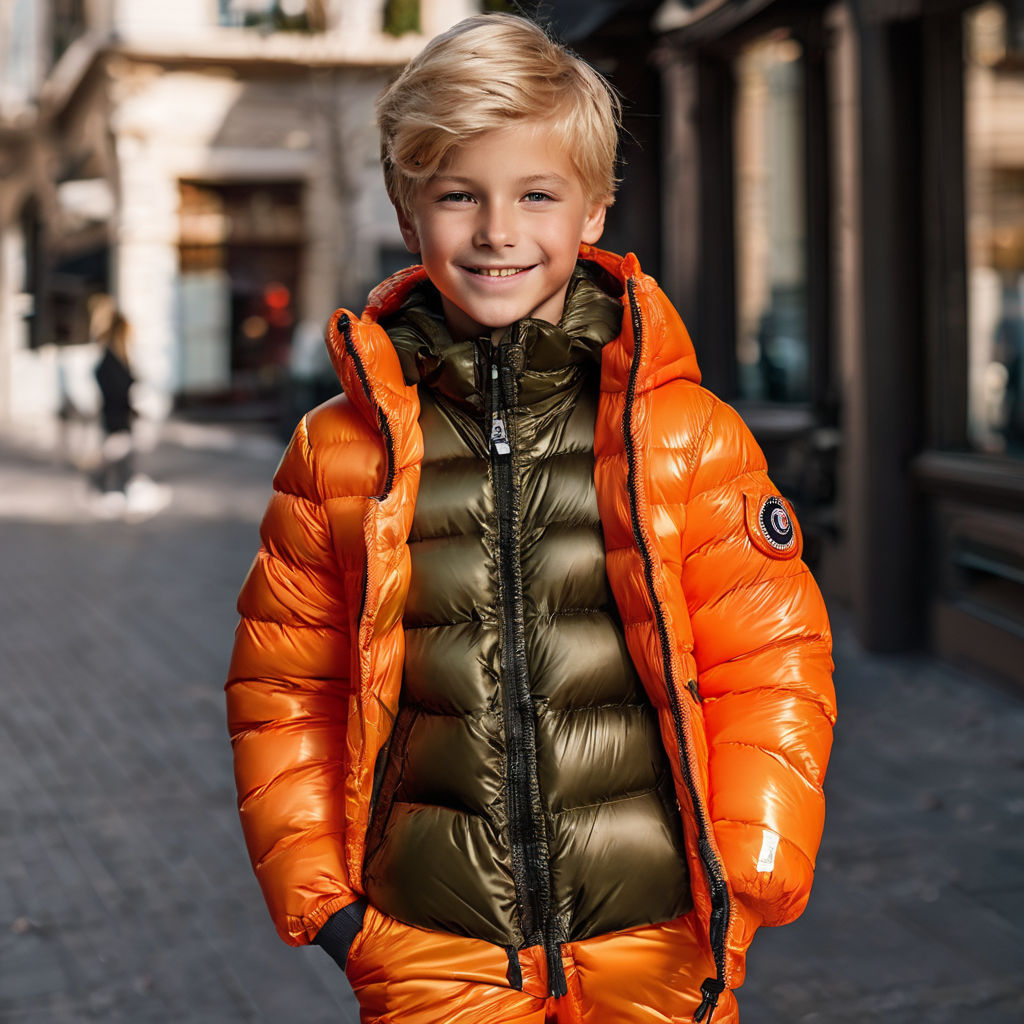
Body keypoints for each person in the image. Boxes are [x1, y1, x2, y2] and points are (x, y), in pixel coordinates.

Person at [225, 14, 836, 1024]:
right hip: (429, 946)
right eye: (459, 194)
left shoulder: (686, 433)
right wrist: (328, 904)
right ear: (406, 209)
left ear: (593, 209)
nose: (497, 231)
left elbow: (769, 659)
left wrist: (748, 866)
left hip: (656, 938)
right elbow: (284, 682)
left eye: (535, 194)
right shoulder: (338, 451)